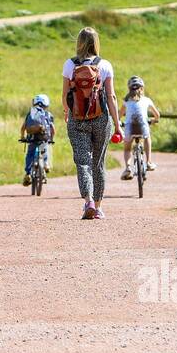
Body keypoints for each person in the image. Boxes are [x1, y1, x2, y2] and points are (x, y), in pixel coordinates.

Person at [61, 27, 115, 220]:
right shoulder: (105, 65)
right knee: (98, 163)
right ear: (96, 43)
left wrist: (68, 113)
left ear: (79, 42)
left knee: (83, 163)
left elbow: (64, 95)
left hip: (77, 119)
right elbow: (111, 97)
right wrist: (117, 124)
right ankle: (98, 208)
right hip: (102, 119)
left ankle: (88, 201)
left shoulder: (70, 64)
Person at [120, 76, 161, 179]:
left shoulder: (126, 101)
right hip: (143, 126)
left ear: (129, 89)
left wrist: (120, 123)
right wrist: (154, 120)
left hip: (129, 127)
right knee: (147, 138)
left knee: (127, 148)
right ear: (142, 88)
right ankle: (148, 162)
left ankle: (128, 168)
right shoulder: (146, 100)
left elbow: (119, 115)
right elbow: (157, 115)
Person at [19, 93, 55, 186]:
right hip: (44, 138)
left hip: (32, 138)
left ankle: (28, 173)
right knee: (44, 148)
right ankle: (46, 164)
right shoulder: (48, 114)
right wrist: (51, 138)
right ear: (46, 104)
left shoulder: (31, 113)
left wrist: (22, 137)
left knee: (30, 154)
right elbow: (52, 129)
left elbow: (24, 127)